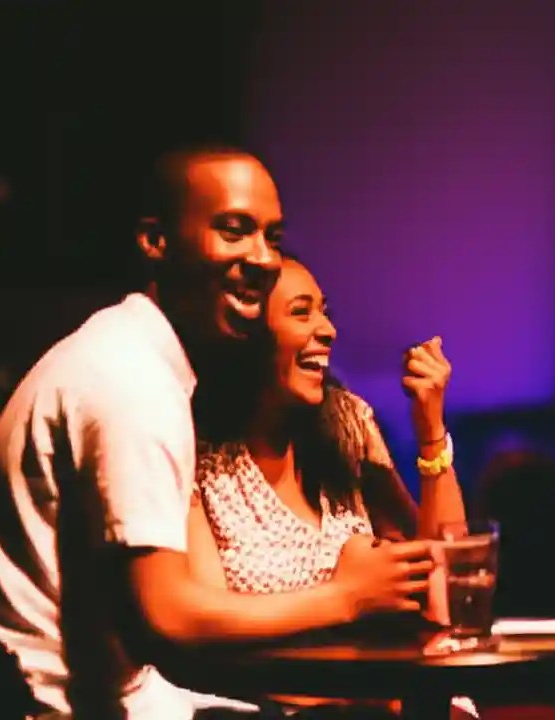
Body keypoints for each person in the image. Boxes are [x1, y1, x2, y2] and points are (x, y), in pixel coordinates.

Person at [0, 145, 435, 719]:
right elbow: (170, 616)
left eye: (272, 238)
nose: (261, 258)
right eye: (233, 231)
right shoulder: (133, 382)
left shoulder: (136, 359)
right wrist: (347, 596)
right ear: (155, 241)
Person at [190, 255, 475, 718]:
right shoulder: (198, 458)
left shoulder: (347, 424)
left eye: (325, 311)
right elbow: (206, 632)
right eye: (302, 312)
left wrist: (430, 428)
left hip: (392, 694)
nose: (327, 330)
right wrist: (348, 595)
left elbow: (448, 566)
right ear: (249, 335)